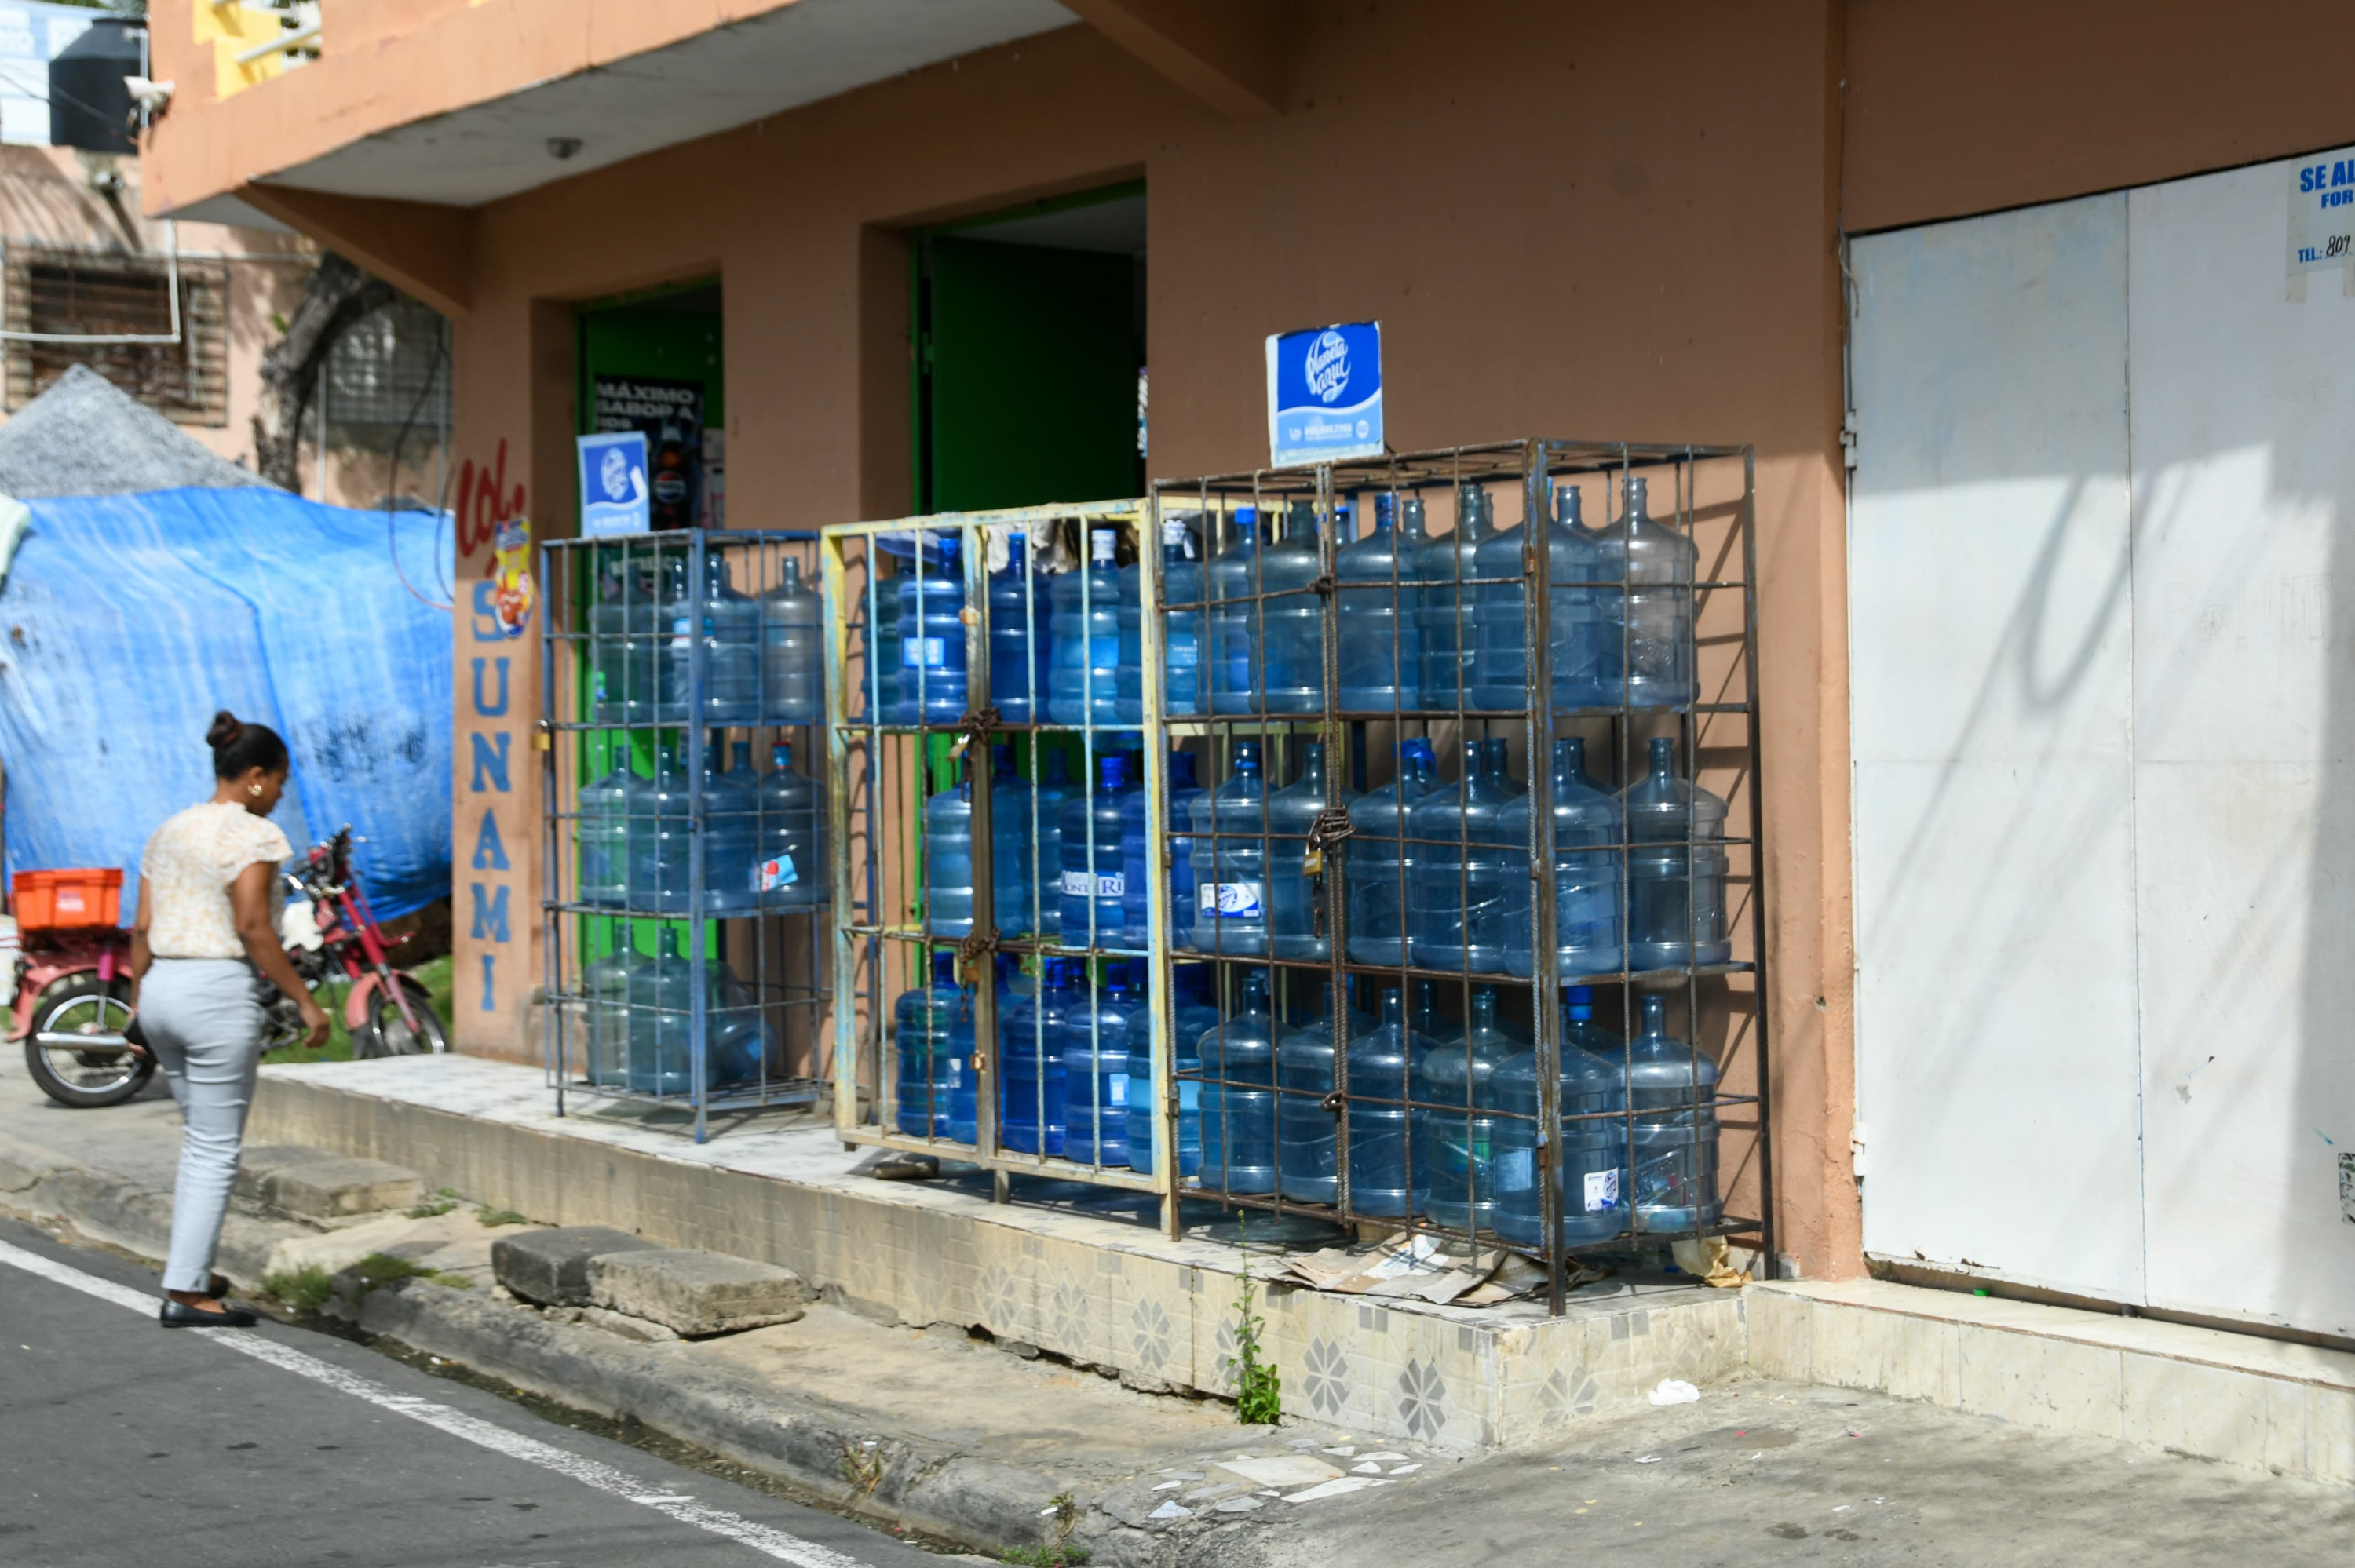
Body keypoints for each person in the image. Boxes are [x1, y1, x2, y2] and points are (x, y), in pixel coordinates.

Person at [129, 710, 330, 1327]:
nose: (279, 795)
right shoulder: (253, 836)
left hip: (161, 987)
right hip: (214, 995)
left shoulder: (169, 830)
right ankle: (188, 1291)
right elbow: (252, 928)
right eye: (280, 783)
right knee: (216, 1150)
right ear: (255, 777)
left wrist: (138, 1007)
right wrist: (304, 999)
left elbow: (140, 927)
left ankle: (193, 1270)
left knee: (201, 1144)